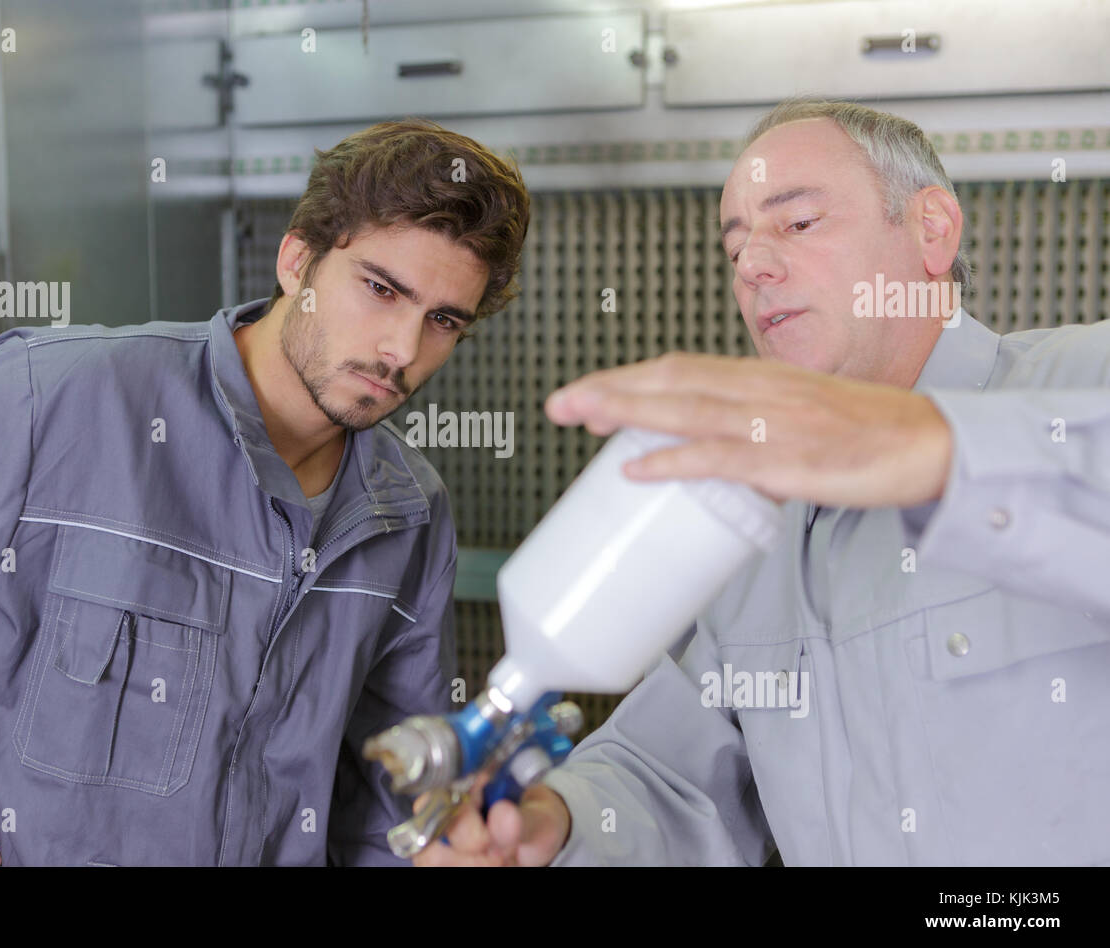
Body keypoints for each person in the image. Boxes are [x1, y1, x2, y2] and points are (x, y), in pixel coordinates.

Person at [0, 119, 531, 866]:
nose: (402, 351)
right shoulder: (65, 402)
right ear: (297, 262)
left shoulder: (409, 514)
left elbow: (388, 802)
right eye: (381, 289)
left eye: (443, 321)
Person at [418, 98, 1110, 867]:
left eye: (799, 223)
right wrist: (561, 827)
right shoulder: (747, 522)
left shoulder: (1082, 380)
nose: (752, 265)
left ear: (932, 229)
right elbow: (676, 777)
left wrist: (930, 444)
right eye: (736, 244)